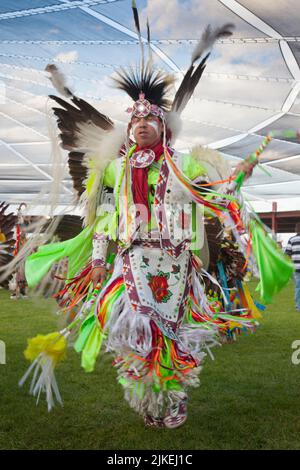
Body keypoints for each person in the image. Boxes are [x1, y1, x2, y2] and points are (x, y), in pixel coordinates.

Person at [20, 12, 294, 428]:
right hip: (131, 260)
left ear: (163, 126)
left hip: (178, 262)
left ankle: (176, 396)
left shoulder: (185, 163)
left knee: (175, 334)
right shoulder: (114, 170)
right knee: (134, 332)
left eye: (150, 120)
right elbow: (106, 218)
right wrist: (97, 260)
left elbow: (216, 195)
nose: (142, 126)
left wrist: (235, 180)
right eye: (136, 120)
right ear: (129, 128)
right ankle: (147, 401)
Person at [285, 223, 300, 311]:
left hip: (296, 268)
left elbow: (287, 254)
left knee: (298, 287)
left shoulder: (292, 239)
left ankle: (298, 306)